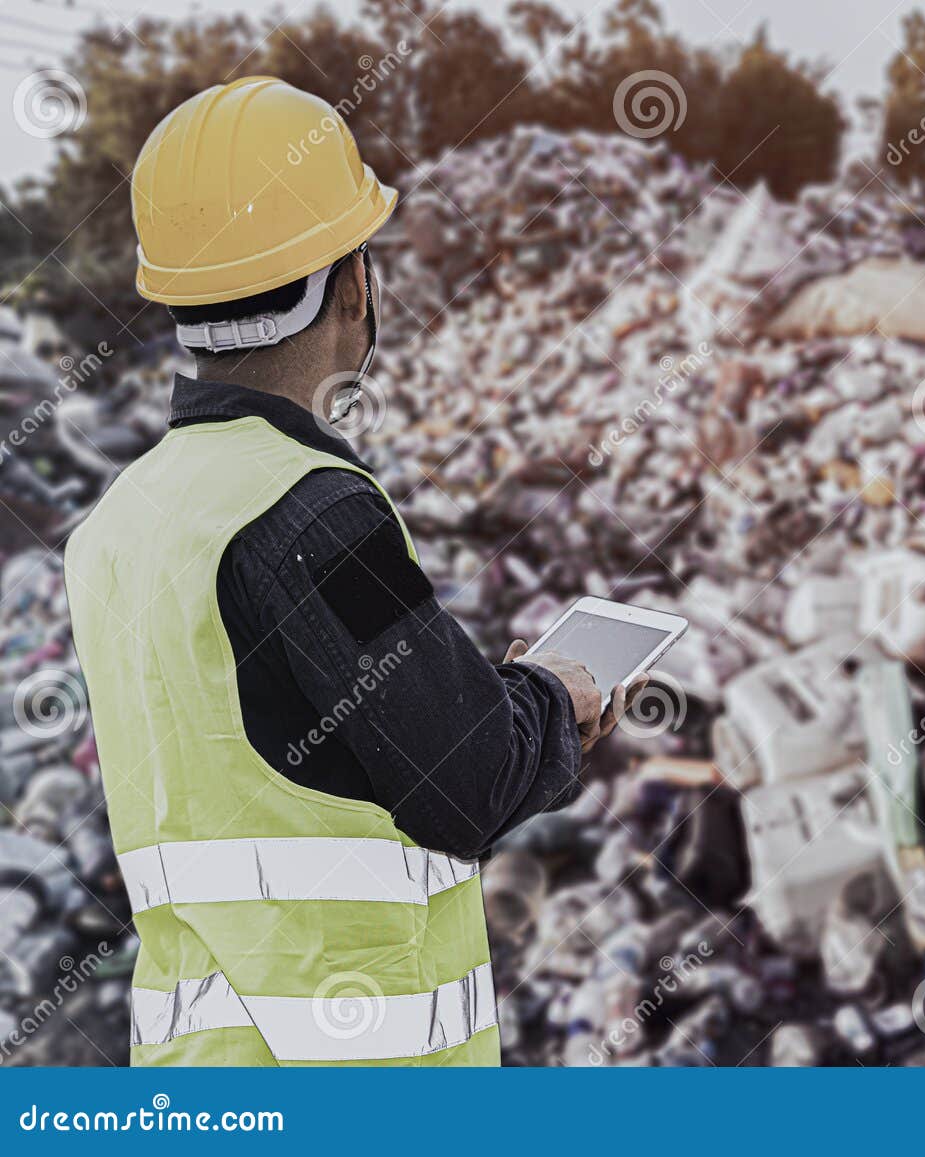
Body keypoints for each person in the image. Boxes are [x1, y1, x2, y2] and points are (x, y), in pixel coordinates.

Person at [64, 76, 630, 1066]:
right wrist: (552, 700)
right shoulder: (314, 512)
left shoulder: (120, 522)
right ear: (355, 284)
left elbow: (285, 750)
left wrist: (484, 695)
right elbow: (468, 778)